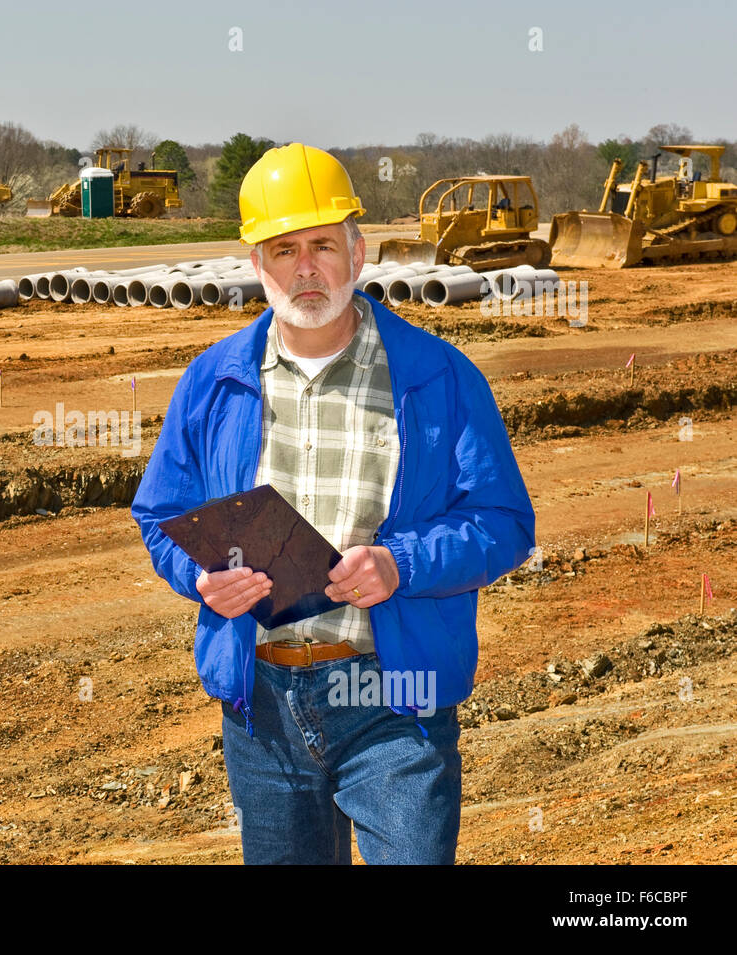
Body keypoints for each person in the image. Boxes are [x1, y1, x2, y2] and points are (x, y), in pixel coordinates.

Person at [130, 143, 535, 864]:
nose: (305, 268)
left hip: (392, 698)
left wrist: (399, 565)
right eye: (284, 249)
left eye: (322, 244)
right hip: (261, 703)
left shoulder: (438, 376)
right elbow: (160, 516)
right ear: (257, 264)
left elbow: (503, 523)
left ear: (360, 249)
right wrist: (199, 578)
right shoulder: (211, 382)